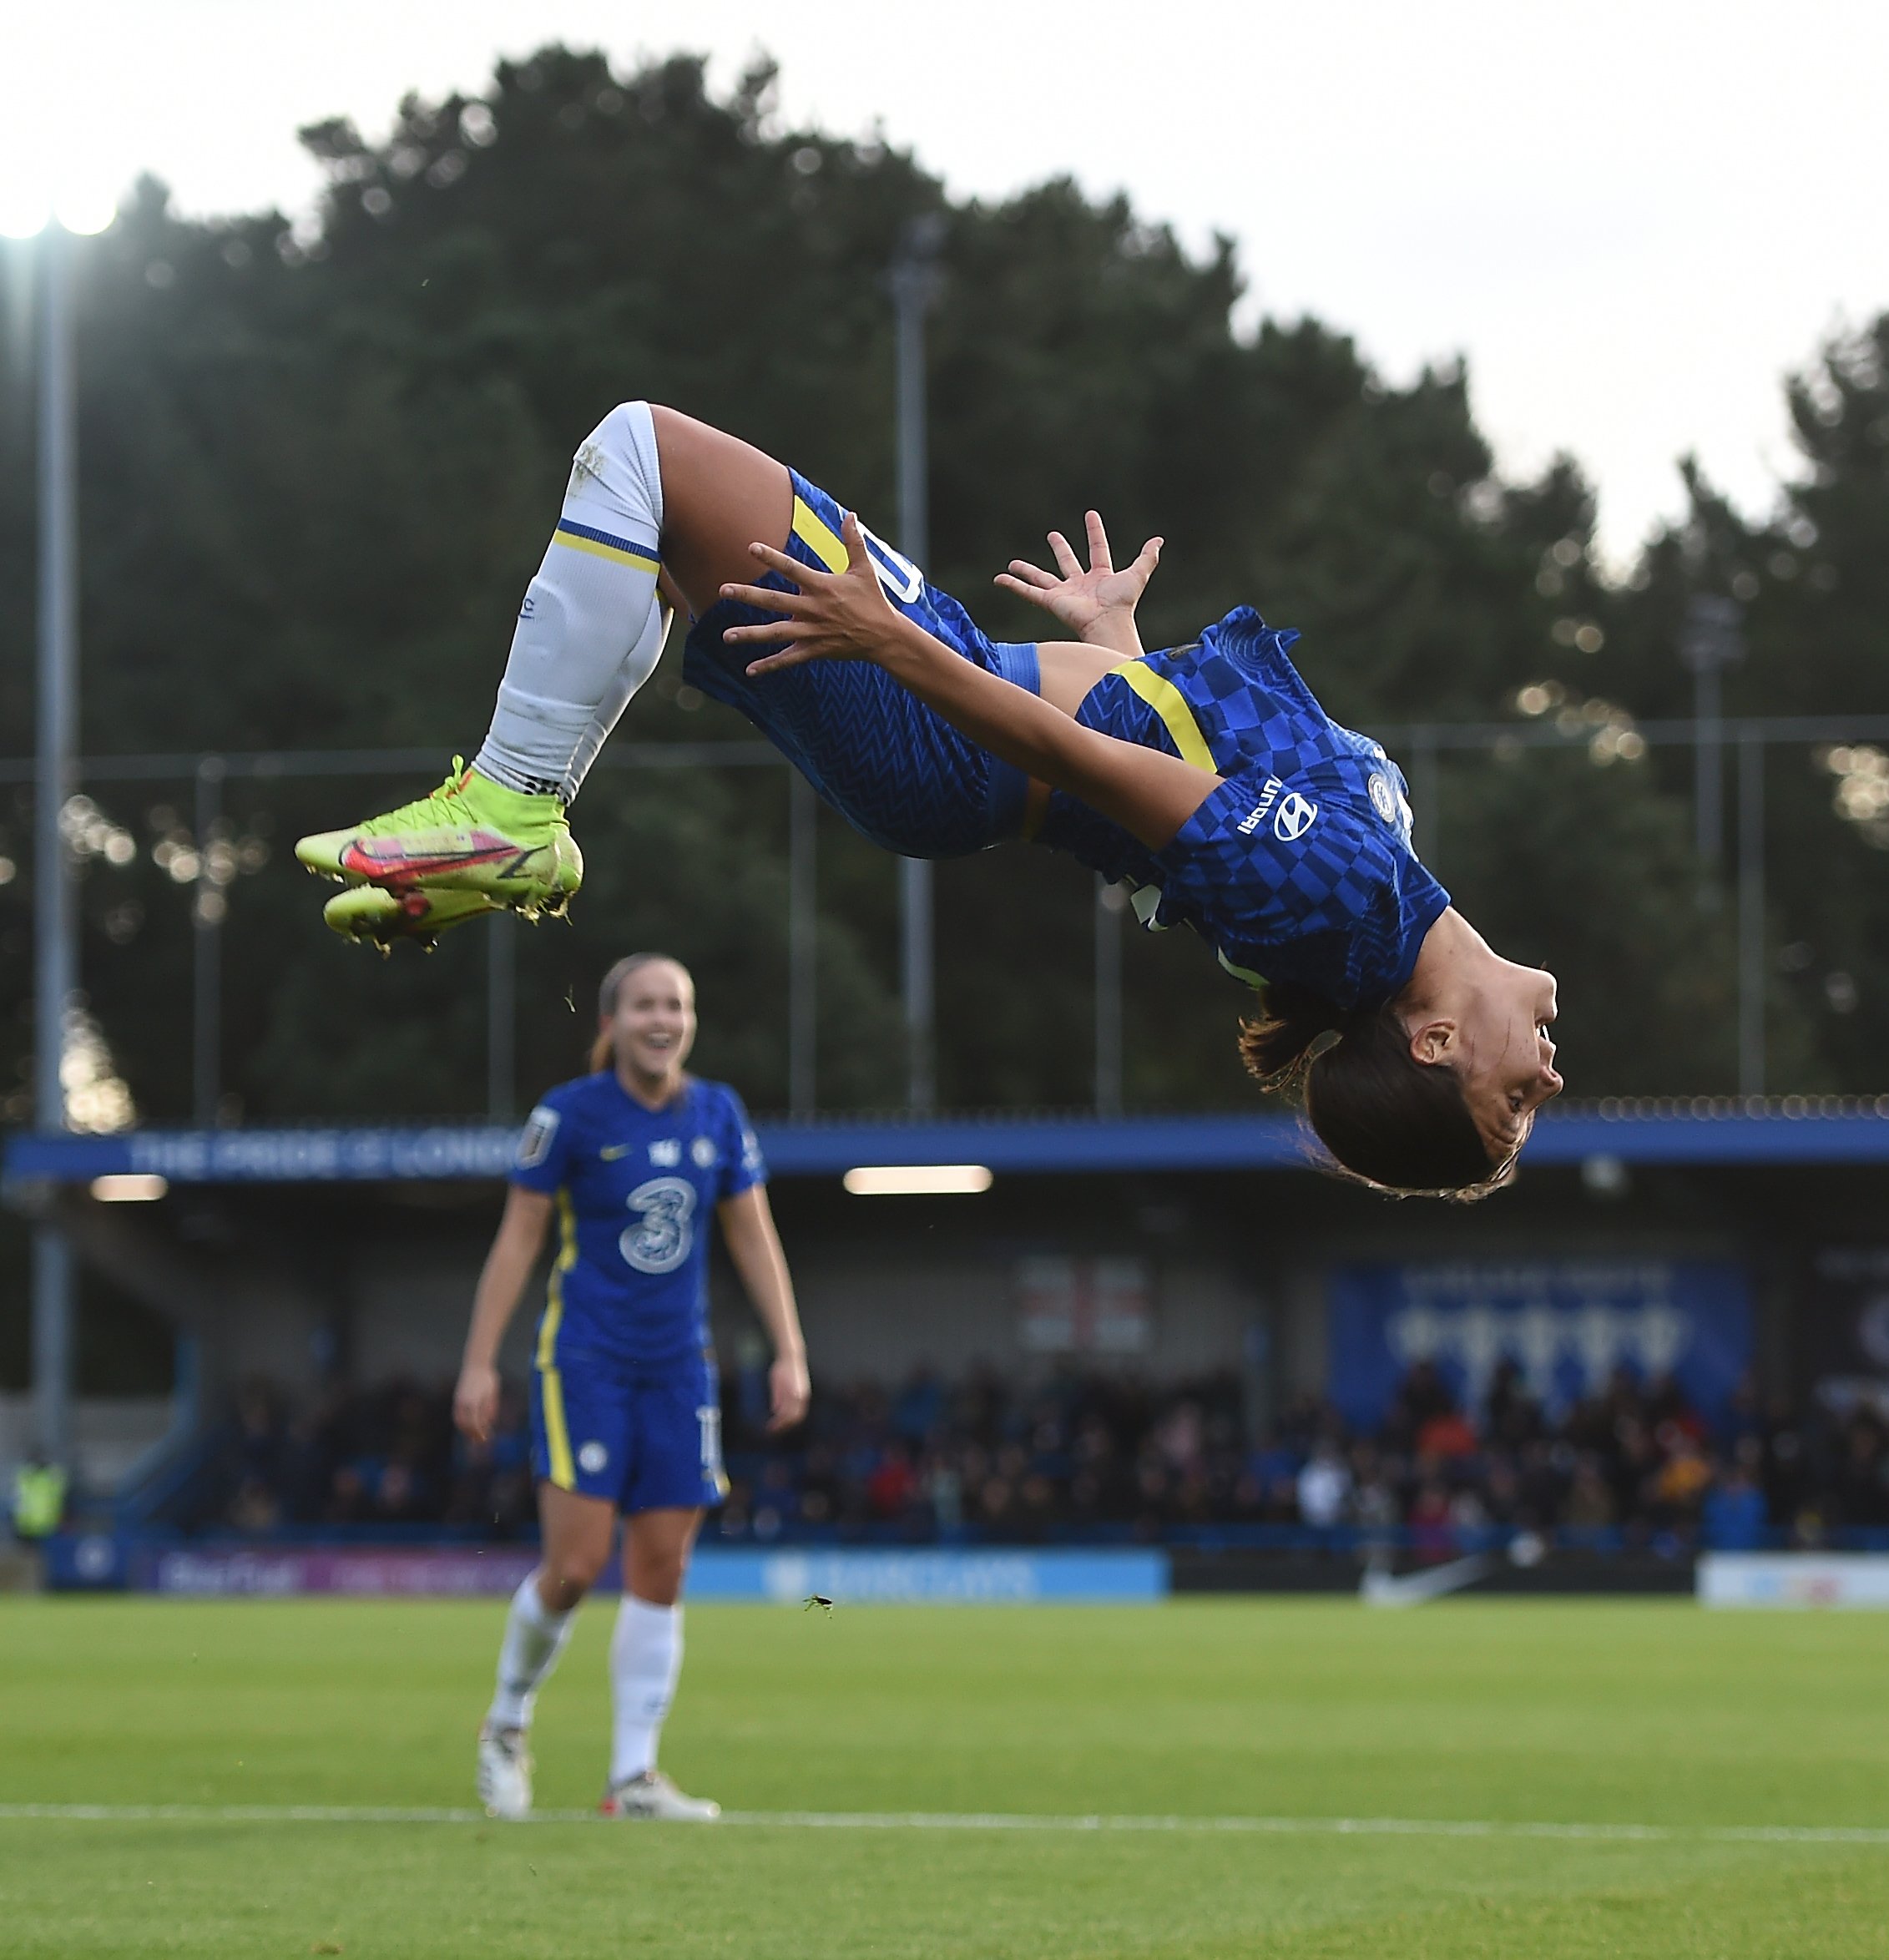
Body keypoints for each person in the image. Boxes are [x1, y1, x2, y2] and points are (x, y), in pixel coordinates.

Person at [298, 403, 1561, 1195]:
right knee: (672, 542)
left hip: (950, 727)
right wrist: (1121, 647)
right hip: (964, 712)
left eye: (1512, 1105)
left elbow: (1091, 769)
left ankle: (515, 809)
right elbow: (1167, 770)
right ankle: (518, 814)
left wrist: (894, 643)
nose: (1546, 1085)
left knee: (642, 453)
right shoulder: (1374, 898)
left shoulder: (1339, 905)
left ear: (1437, 1045)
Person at [452, 951, 809, 1821]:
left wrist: (789, 1350)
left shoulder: (717, 1113)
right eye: (646, 1004)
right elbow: (518, 1239)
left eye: (677, 1005)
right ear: (610, 1022)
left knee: (663, 1564)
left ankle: (633, 1776)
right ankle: (505, 1722)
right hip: (584, 1360)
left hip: (679, 1365)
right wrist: (476, 1359)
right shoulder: (568, 1115)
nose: (664, 1019)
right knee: (573, 1565)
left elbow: (754, 1237)